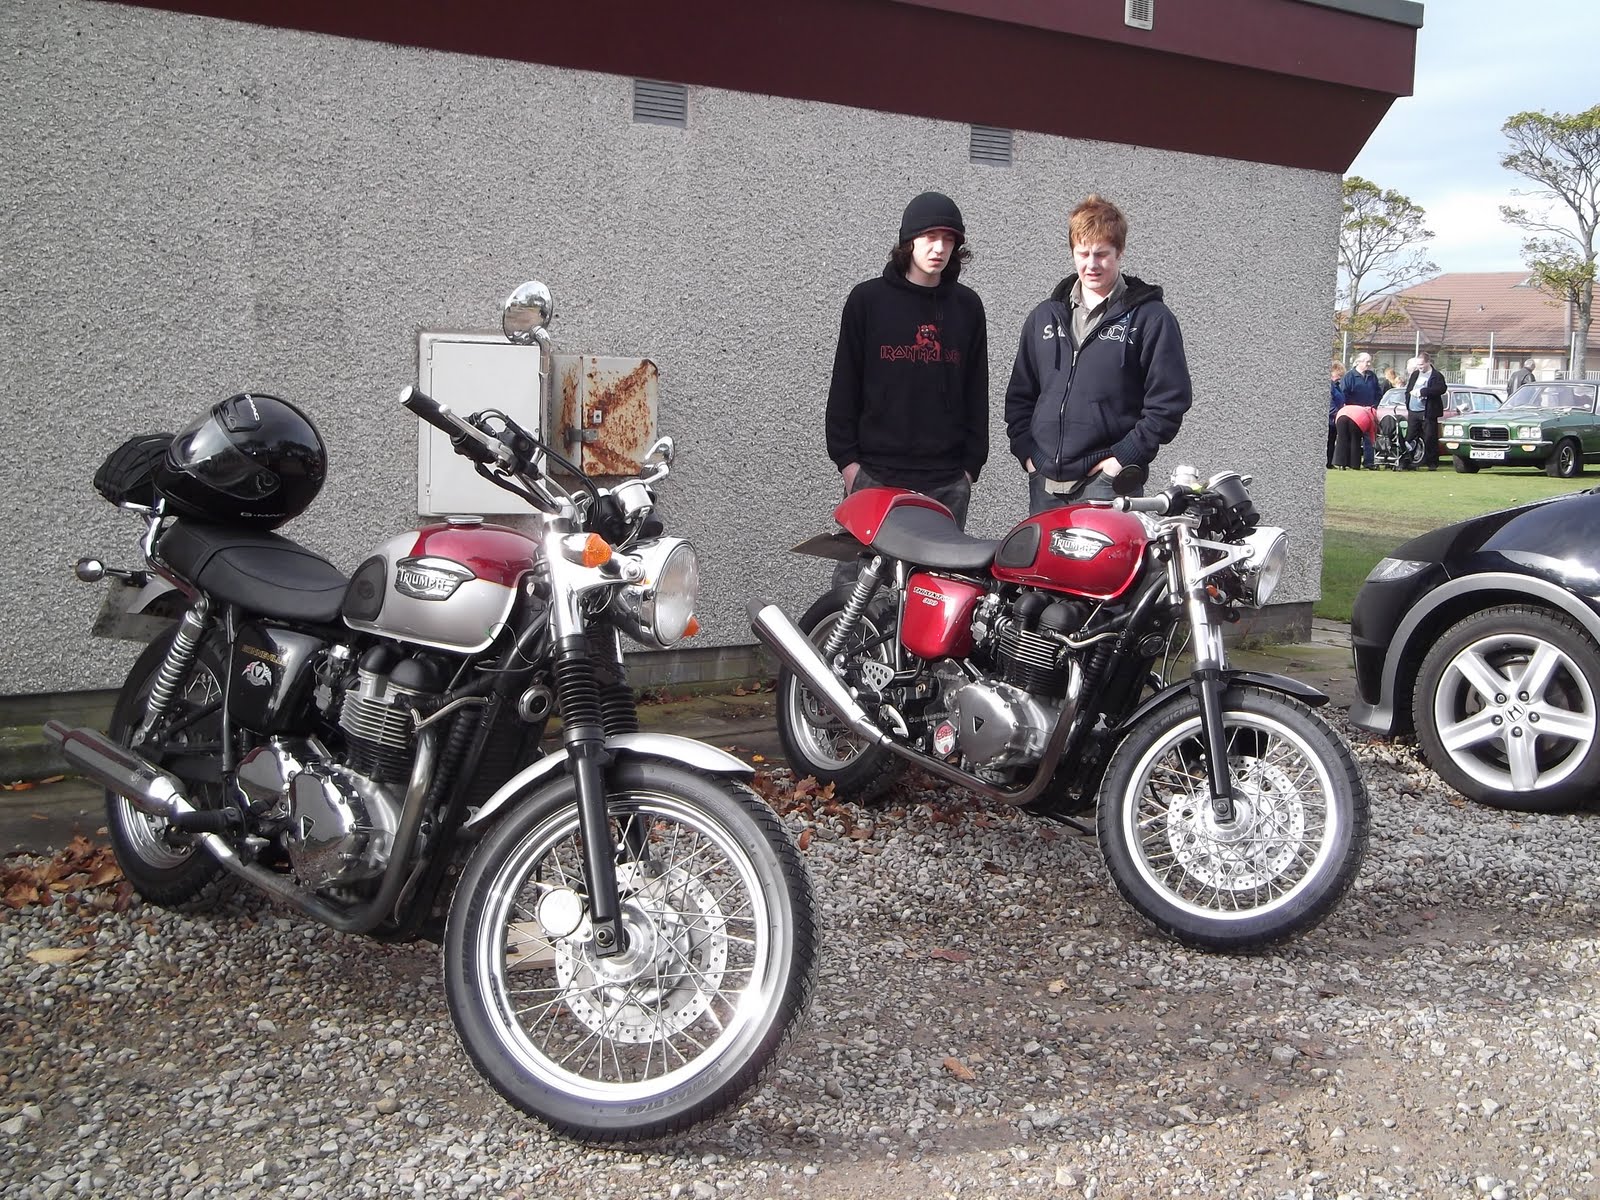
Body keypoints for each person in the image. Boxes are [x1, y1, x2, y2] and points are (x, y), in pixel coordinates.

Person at [1004, 194, 1191, 513]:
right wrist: (1028, 454)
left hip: (1107, 484)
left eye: (1102, 254)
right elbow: (1020, 395)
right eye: (1083, 253)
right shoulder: (1044, 317)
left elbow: (1169, 402)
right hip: (1044, 483)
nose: (1091, 264)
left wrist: (1123, 458)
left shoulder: (1150, 319)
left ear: (1120, 252)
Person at [825, 190, 989, 538]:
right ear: (909, 241)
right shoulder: (868, 301)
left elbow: (977, 392)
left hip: (946, 482)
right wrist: (849, 465)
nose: (939, 248)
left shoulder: (967, 307)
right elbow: (844, 387)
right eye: (930, 236)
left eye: (949, 239)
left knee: (936, 574)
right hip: (875, 476)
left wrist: (969, 469)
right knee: (860, 572)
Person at [1339, 352, 1385, 469]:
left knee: (1369, 438)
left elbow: (1378, 392)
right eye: (1366, 362)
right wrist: (1354, 407)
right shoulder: (1349, 377)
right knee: (1352, 437)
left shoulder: (1372, 376)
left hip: (1369, 411)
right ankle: (1349, 462)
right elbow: (1344, 393)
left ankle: (1369, 462)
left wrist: (1374, 405)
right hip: (1354, 413)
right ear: (1358, 362)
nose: (1369, 364)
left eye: (1370, 362)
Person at [1404, 350, 1448, 470]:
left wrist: (1423, 392)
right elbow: (1408, 389)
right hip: (1413, 411)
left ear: (1428, 362)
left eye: (1421, 365)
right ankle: (1409, 461)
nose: (1419, 367)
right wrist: (1408, 401)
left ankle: (1432, 463)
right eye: (1418, 365)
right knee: (1410, 437)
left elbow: (1441, 389)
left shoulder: (1436, 375)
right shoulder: (1415, 374)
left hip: (1428, 412)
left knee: (1430, 438)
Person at [1331, 402, 1377, 469]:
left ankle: (1340, 464)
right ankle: (1354, 464)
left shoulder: (1361, 409)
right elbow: (1371, 434)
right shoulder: (1371, 415)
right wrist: (1373, 442)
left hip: (1341, 415)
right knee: (1355, 441)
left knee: (1341, 440)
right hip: (1357, 419)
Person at [1327, 361, 1345, 470]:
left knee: (1332, 441)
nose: (1339, 377)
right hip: (1330, 418)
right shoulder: (1329, 386)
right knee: (1328, 441)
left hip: (1335, 419)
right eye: (1338, 375)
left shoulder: (1337, 386)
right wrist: (1335, 412)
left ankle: (1329, 462)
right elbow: (1330, 403)